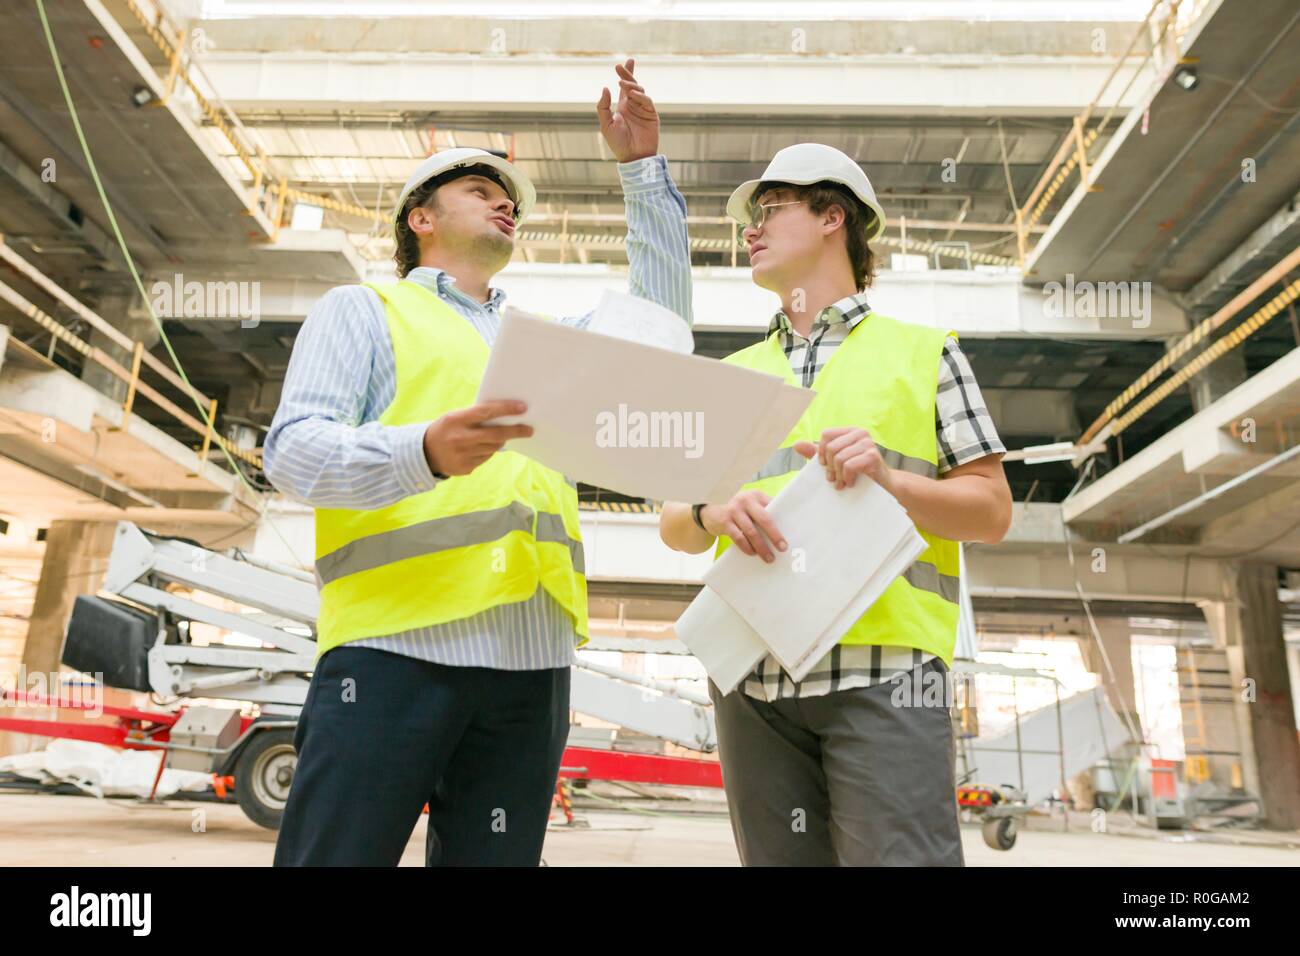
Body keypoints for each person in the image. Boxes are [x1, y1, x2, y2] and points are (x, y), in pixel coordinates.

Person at [267, 60, 692, 866]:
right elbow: (292, 453)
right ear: (419, 218)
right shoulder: (364, 309)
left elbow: (661, 331)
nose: (506, 202)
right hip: (391, 655)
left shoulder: (542, 339)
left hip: (532, 667)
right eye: (479, 190)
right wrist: (420, 451)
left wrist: (641, 170)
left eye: (512, 201)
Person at [659, 143, 1011, 866]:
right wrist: (711, 513)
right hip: (751, 680)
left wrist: (892, 482)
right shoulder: (733, 374)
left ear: (832, 216)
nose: (749, 230)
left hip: (884, 674)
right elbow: (676, 525)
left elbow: (991, 510)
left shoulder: (926, 355)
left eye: (769, 209)